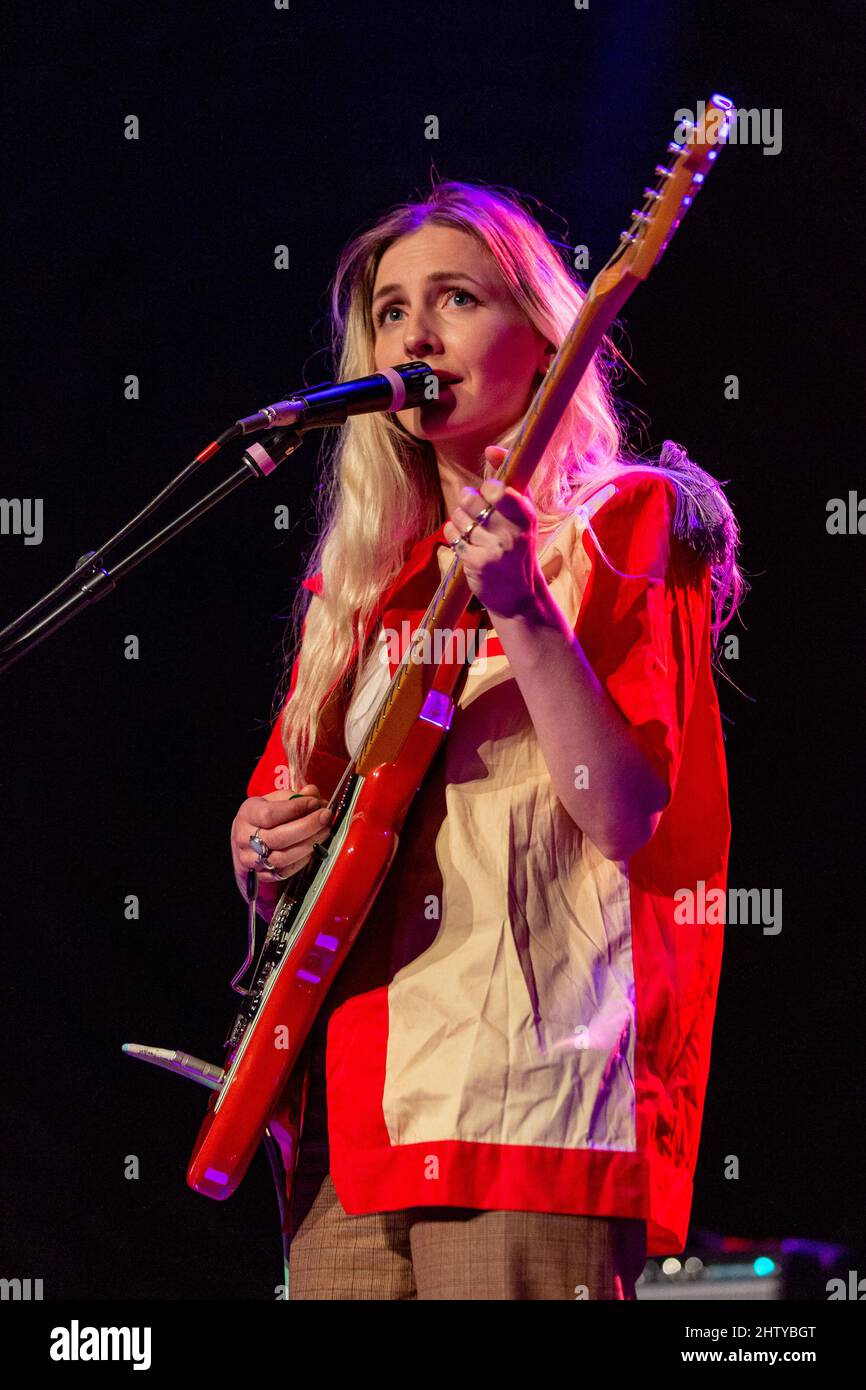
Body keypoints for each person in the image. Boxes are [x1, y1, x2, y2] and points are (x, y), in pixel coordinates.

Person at [230, 179, 745, 1300]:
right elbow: (286, 840)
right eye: (389, 309)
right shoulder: (366, 583)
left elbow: (621, 810)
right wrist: (260, 843)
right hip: (352, 1129)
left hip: (528, 1102)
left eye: (453, 298)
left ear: (545, 333)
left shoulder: (625, 522)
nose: (412, 334)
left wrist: (519, 603)